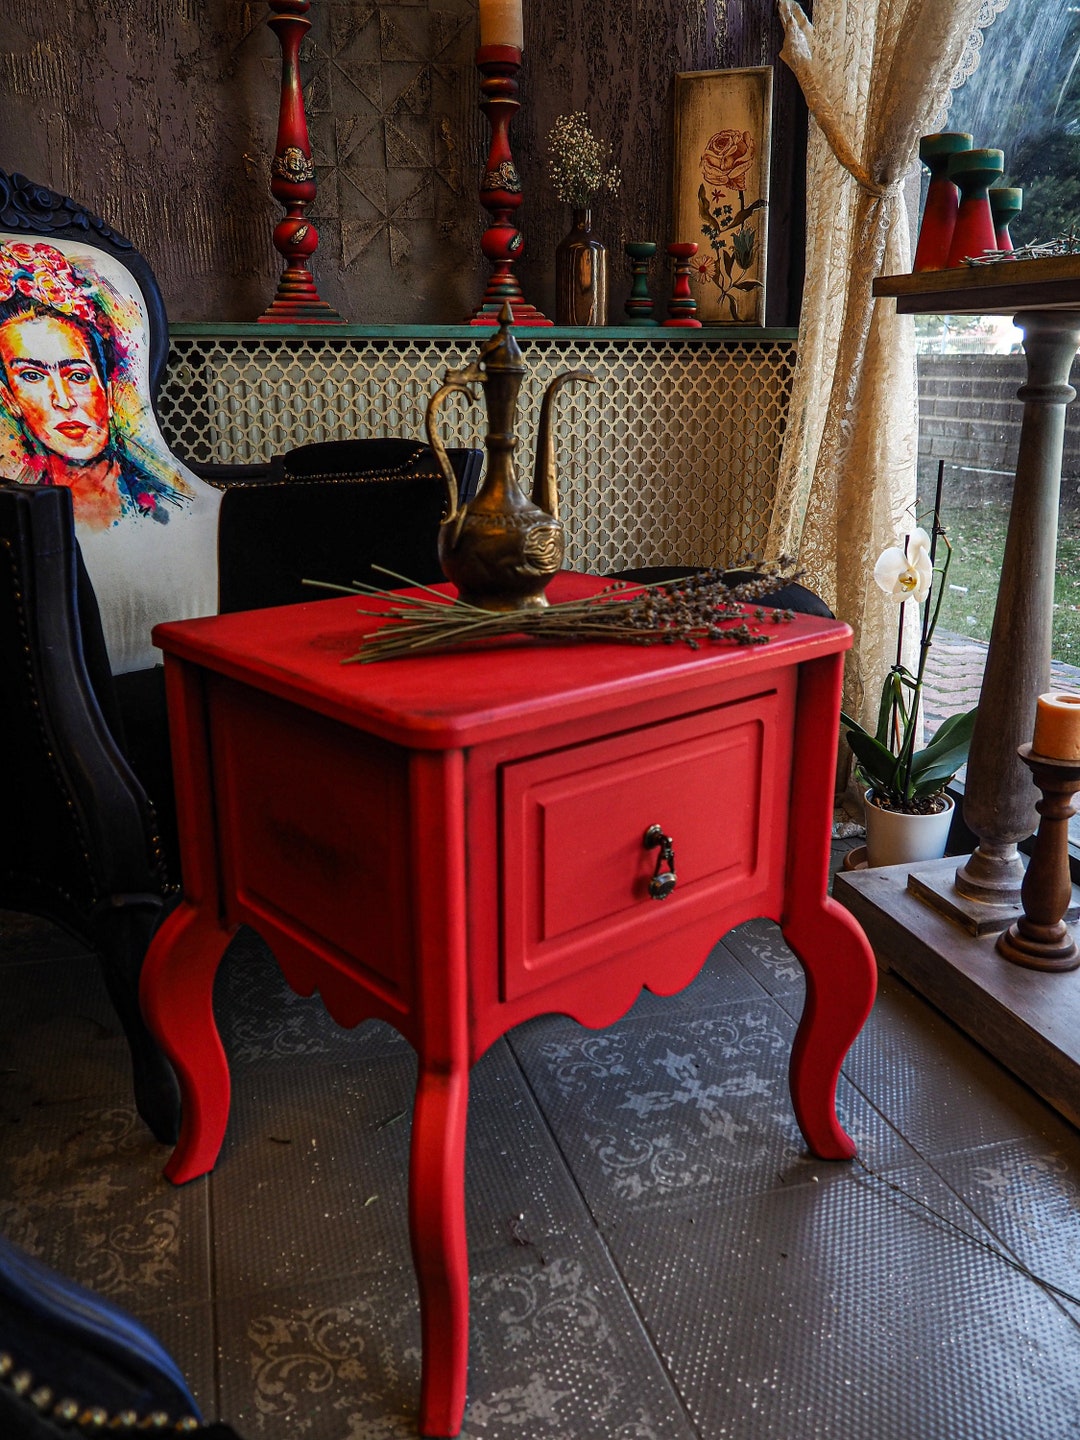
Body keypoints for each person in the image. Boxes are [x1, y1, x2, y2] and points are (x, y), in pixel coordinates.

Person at [0, 240, 193, 530]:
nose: (63, 401)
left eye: (77, 375)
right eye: (32, 376)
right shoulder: (15, 524)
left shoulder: (169, 504)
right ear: (9, 398)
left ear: (109, 389)